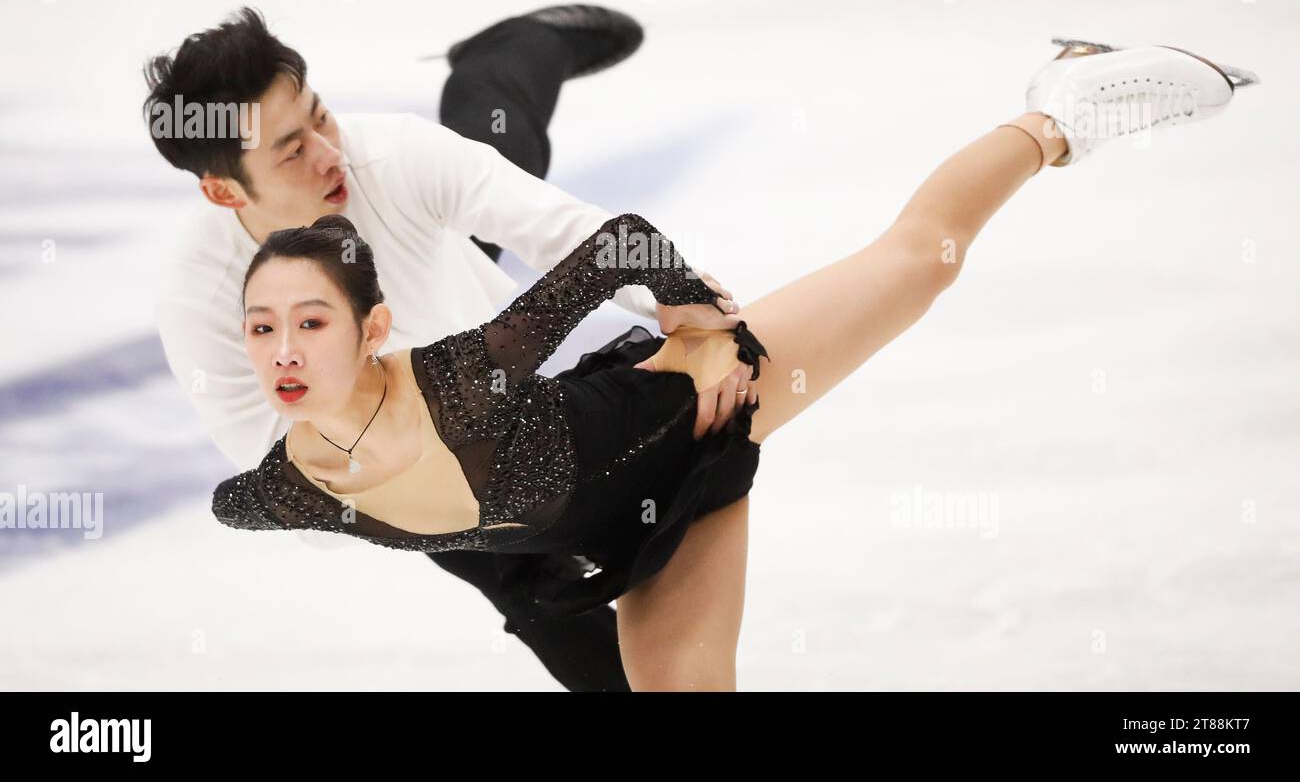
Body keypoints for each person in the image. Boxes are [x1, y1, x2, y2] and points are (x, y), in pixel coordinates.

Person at [211, 39, 1257, 690]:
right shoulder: (280, 484)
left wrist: (708, 326)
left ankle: (1061, 107)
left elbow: (612, 242)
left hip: (697, 415)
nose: (287, 349)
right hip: (627, 545)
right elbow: (237, 502)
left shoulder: (464, 377)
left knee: (915, 262)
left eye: (312, 322)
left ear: (376, 325)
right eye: (263, 329)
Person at [144, 5, 754, 693]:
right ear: (223, 189)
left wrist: (670, 291)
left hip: (468, 339)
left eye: (320, 114)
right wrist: (440, 492)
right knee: (523, 582)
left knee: (502, 150)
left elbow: (559, 228)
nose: (328, 152)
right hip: (387, 457)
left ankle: (511, 51)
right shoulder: (203, 304)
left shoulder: (388, 157)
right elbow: (288, 474)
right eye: (292, 150)